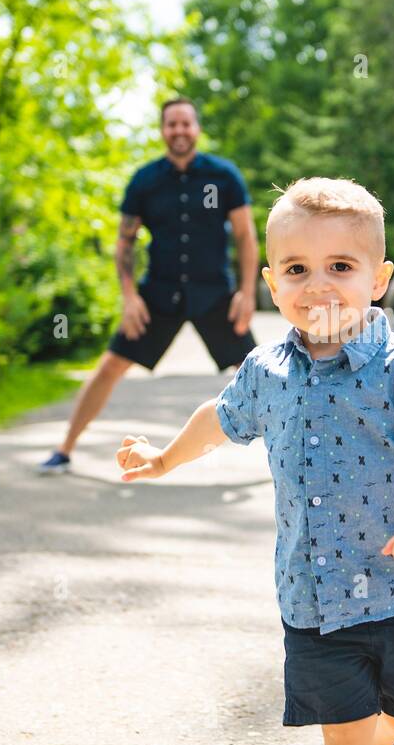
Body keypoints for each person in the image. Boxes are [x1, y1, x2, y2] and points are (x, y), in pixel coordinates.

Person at [115, 177, 394, 745]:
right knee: (345, 736)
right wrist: (164, 459)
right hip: (312, 599)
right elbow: (220, 418)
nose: (318, 286)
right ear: (270, 282)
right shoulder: (267, 370)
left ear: (378, 280)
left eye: (340, 266)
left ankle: (389, 744)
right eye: (296, 269)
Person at [38, 97, 259, 474]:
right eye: (171, 124)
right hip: (158, 294)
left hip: (214, 295)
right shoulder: (145, 180)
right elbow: (124, 243)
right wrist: (129, 298)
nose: (179, 131)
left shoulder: (224, 177)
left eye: (185, 123)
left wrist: (247, 292)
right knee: (109, 366)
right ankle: (64, 448)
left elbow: (245, 236)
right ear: (162, 131)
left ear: (197, 128)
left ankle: (295, 460)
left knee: (258, 375)